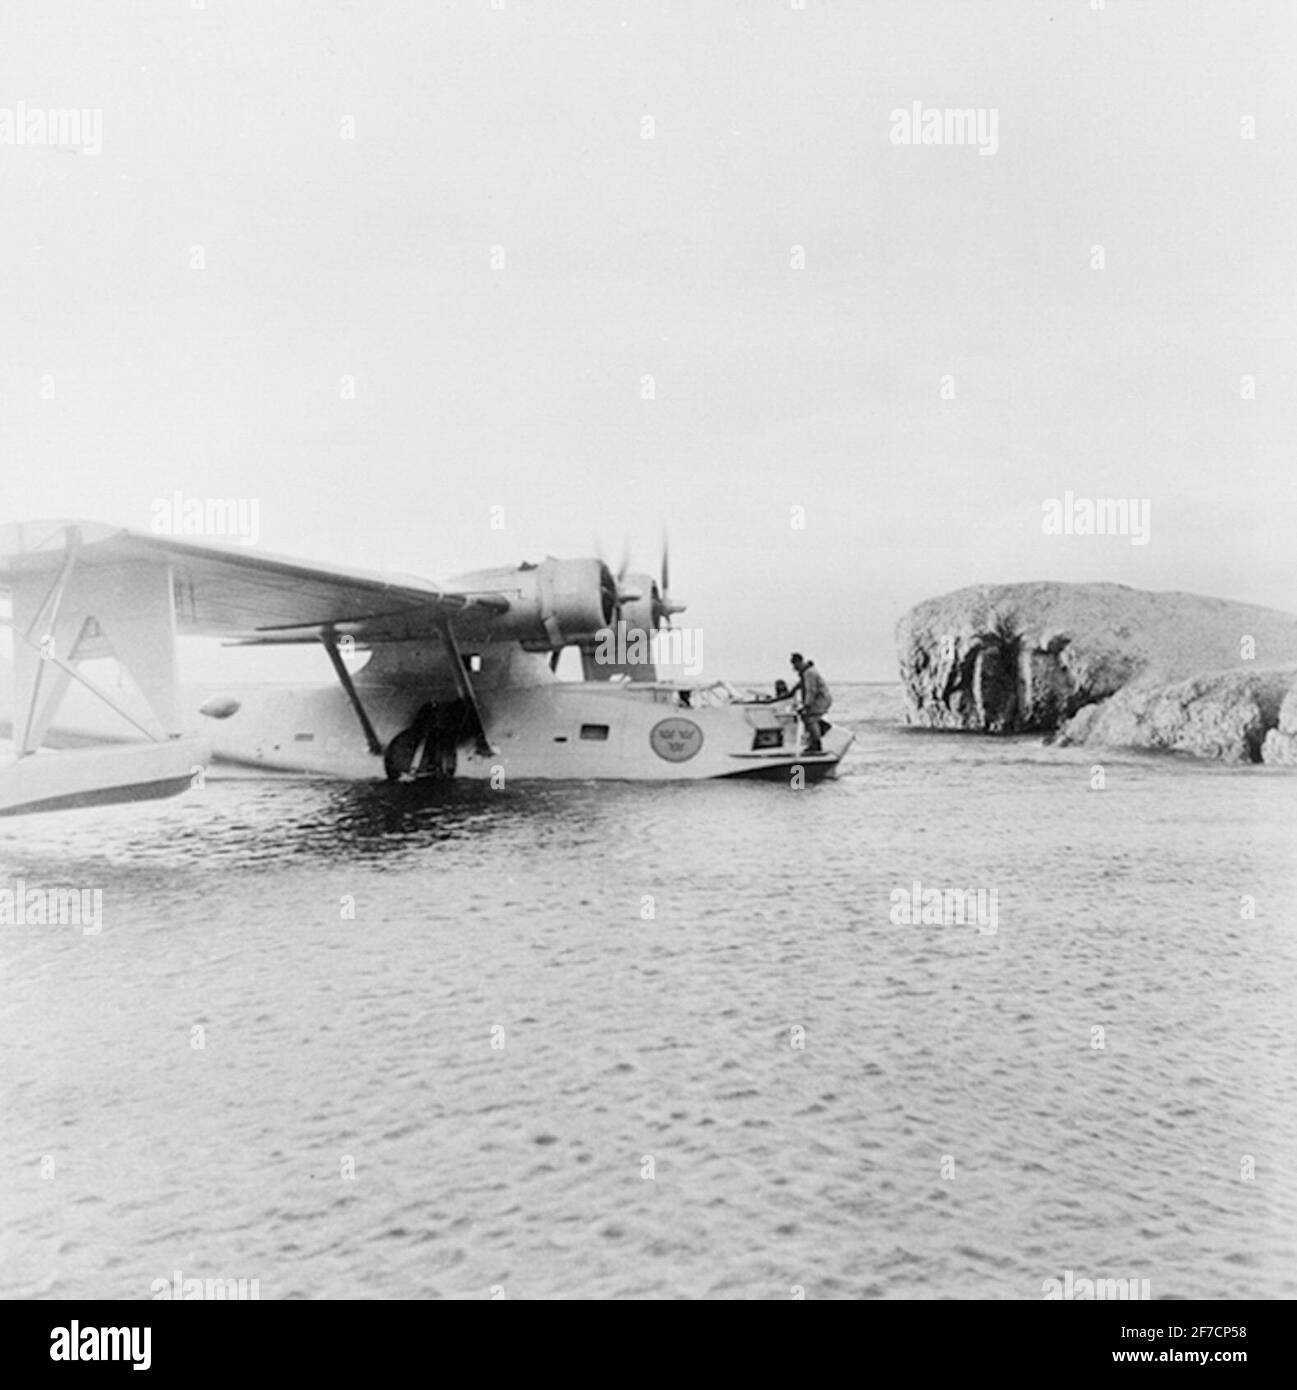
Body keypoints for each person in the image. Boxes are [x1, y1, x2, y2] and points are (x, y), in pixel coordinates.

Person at [788, 652, 833, 753]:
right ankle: (818, 734)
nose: (794, 668)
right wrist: (791, 692)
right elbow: (801, 684)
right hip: (819, 699)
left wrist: (807, 705)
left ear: (798, 662)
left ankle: (816, 743)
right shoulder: (806, 672)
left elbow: (811, 690)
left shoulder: (809, 673)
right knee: (807, 718)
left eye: (794, 665)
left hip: (821, 699)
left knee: (809, 718)